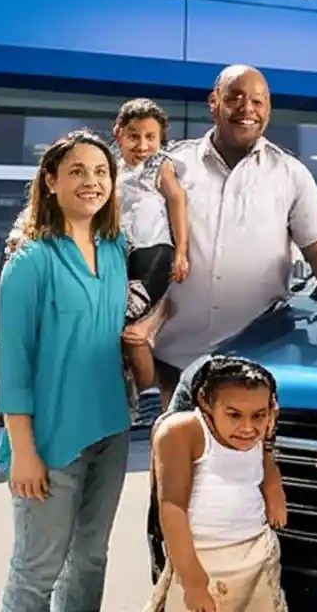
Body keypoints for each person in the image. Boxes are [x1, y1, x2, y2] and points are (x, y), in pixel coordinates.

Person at [134, 63, 317, 580]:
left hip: (251, 370)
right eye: (236, 97)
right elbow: (125, 221)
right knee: (173, 490)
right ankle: (173, 587)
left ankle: (247, 589)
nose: (247, 108)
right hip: (177, 364)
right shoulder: (174, 164)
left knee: (241, 495)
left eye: (258, 100)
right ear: (214, 101)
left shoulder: (289, 173)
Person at [0, 129, 136, 611]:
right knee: (37, 570)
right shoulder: (30, 260)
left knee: (91, 560)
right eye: (77, 171)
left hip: (111, 432)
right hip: (51, 441)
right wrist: (23, 451)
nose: (92, 182)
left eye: (101, 172)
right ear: (51, 181)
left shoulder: (116, 251)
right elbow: (13, 366)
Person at [144, 356, 288, 612]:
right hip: (201, 559)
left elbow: (262, 455)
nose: (247, 428)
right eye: (234, 415)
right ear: (204, 401)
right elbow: (171, 507)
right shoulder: (182, 431)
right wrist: (192, 582)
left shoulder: (261, 429)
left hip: (256, 556)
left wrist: (272, 487)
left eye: (259, 415)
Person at [113, 98, 190, 407]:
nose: (142, 145)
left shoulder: (161, 164)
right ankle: (134, 386)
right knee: (118, 329)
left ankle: (148, 394)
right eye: (134, 136)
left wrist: (182, 251)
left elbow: (177, 200)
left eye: (150, 137)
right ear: (118, 134)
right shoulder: (110, 166)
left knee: (129, 324)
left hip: (153, 252)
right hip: (120, 254)